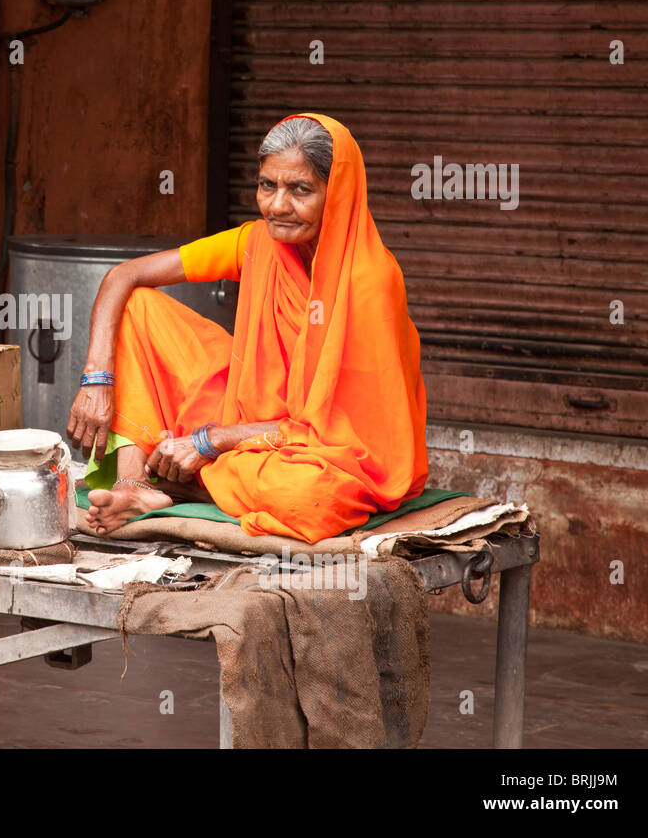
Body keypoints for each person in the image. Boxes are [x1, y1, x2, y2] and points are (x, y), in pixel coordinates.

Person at [66, 113, 427, 544]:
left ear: (339, 194)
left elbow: (340, 435)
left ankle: (180, 480)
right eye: (267, 185)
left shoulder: (370, 280)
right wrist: (97, 380)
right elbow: (123, 276)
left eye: (301, 190)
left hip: (326, 453)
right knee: (140, 307)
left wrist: (208, 442)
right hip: (250, 426)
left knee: (305, 498)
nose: (276, 205)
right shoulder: (257, 242)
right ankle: (134, 484)